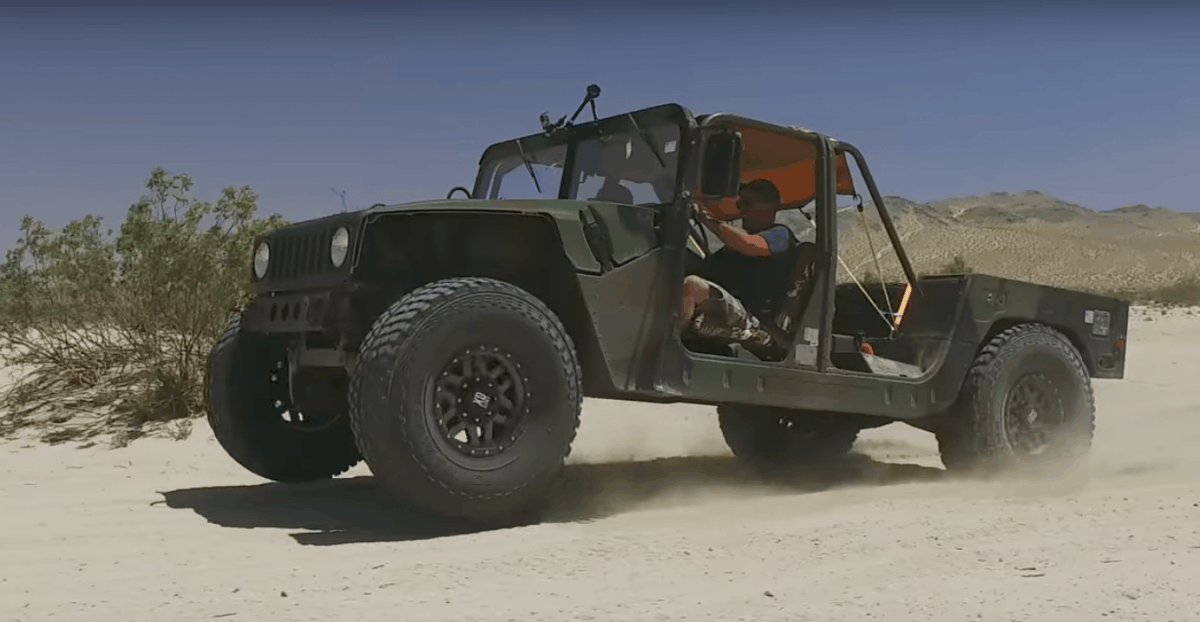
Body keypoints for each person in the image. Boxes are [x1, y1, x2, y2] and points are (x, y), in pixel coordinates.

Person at [680, 178, 811, 355]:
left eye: (746, 204)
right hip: (731, 309)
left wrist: (706, 216)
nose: (741, 211)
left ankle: (665, 348)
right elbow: (708, 267)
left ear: (768, 206)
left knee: (693, 287)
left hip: (755, 320)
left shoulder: (779, 234)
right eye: (740, 204)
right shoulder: (736, 244)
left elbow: (750, 245)